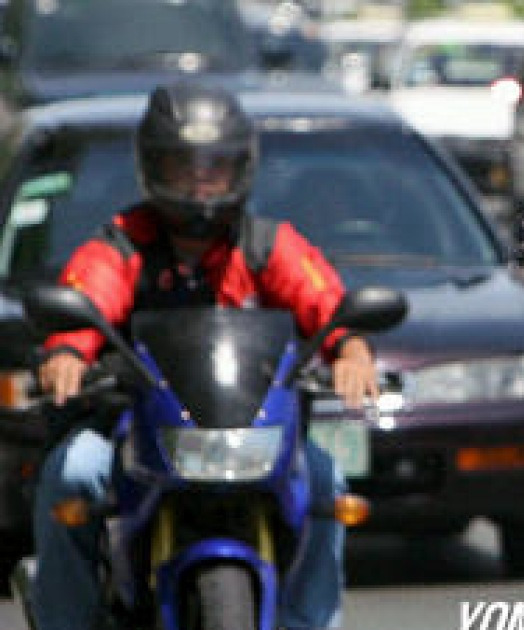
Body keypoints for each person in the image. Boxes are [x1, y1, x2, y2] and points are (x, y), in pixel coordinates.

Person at [33, 81, 377, 630]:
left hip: (254, 432)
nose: (199, 181)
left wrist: (351, 349)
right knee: (73, 474)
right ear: (152, 168)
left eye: (214, 166)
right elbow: (89, 294)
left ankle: (308, 621)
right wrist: (69, 353)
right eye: (182, 166)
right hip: (138, 430)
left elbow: (324, 300)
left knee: (325, 480)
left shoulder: (267, 244)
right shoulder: (122, 242)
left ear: (241, 168)